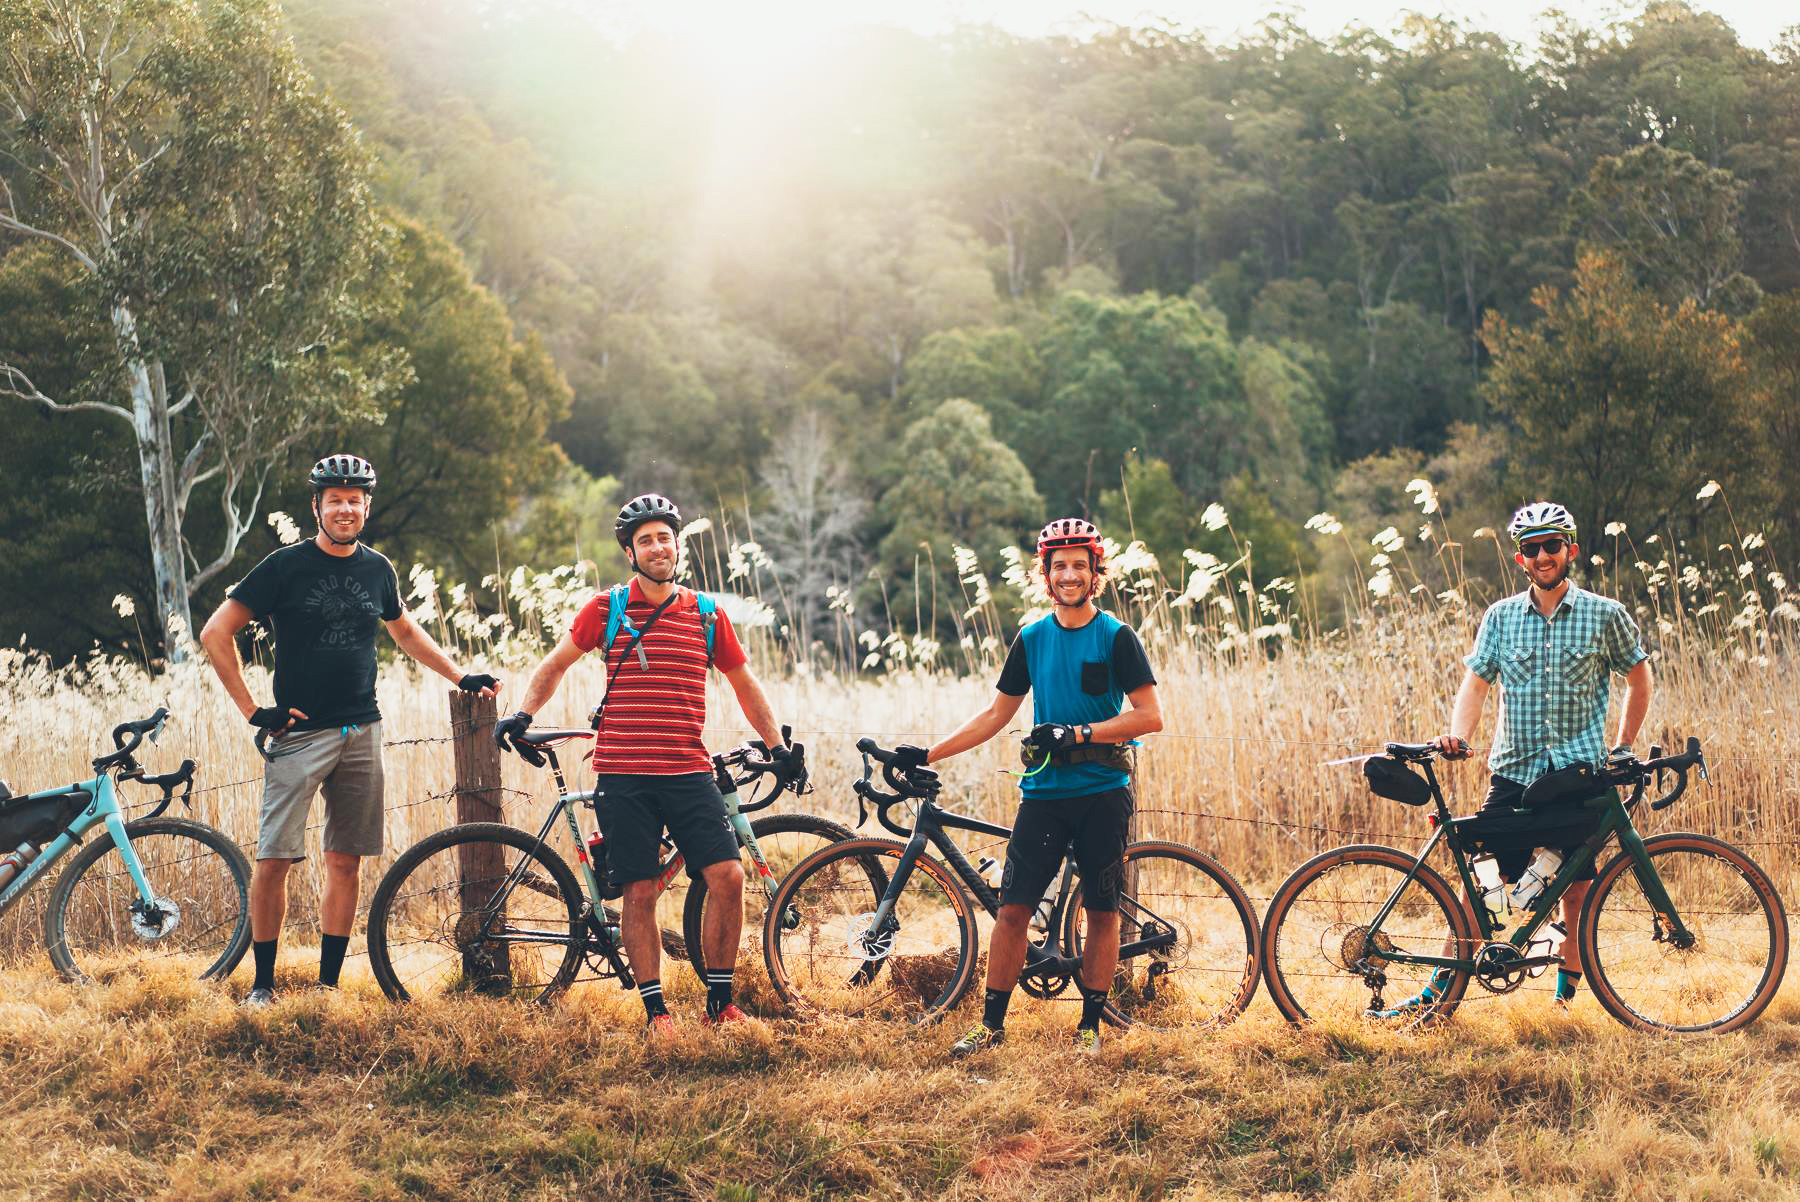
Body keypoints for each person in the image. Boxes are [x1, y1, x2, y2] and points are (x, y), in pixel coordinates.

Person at [199, 454, 501, 1006]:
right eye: (335, 498)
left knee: (346, 860)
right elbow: (217, 633)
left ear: (366, 507)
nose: (345, 507)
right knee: (273, 862)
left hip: (362, 731)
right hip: (298, 735)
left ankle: (327, 986)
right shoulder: (283, 567)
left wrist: (461, 674)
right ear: (317, 506)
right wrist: (253, 711)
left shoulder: (378, 569)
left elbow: (405, 633)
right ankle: (263, 987)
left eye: (354, 499)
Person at [493, 493, 798, 1037]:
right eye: (646, 541)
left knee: (728, 876)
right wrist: (521, 713)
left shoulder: (706, 613)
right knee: (640, 890)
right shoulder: (606, 609)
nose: (658, 547)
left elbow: (745, 684)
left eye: (665, 537)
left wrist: (777, 746)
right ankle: (657, 1013)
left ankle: (720, 1002)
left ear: (677, 545)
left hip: (687, 770)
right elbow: (555, 663)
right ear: (630, 553)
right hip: (624, 773)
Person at [1380, 500, 1652, 1017]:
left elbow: (1639, 679)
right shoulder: (1500, 617)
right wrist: (1457, 735)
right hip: (1515, 773)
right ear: (1520, 559)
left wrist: (1622, 747)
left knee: (1577, 890)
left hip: (1578, 773)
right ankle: (1437, 996)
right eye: (1532, 549)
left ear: (1570, 550)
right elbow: (1476, 683)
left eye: (1552, 545)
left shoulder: (1605, 614)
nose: (1543, 556)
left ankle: (1563, 1002)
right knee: (1474, 892)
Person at [920, 517, 1161, 1057]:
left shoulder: (1117, 637)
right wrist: (929, 753)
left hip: (1103, 790)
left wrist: (1079, 731)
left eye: (1080, 565)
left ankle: (1090, 1028)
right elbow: (994, 714)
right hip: (1045, 794)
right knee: (1013, 910)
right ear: (1045, 575)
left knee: (1100, 913)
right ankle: (991, 1026)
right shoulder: (1031, 638)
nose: (1070, 575)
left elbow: (1150, 716)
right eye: (1060, 566)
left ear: (1094, 571)